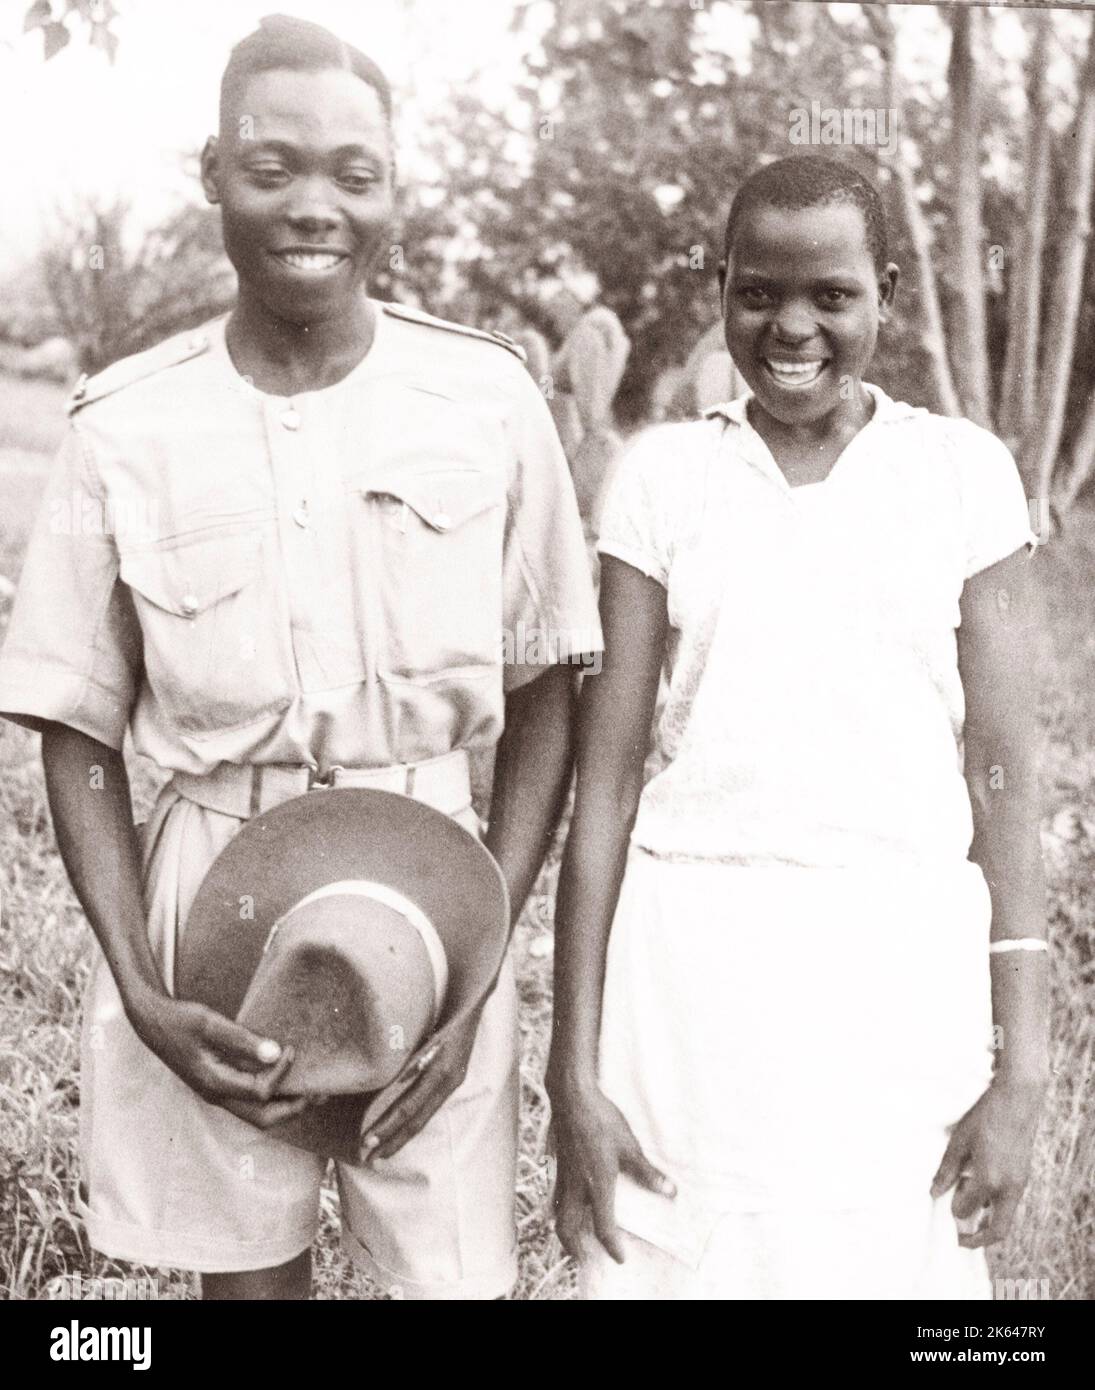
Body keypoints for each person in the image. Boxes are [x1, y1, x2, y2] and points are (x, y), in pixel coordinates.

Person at [0, 14, 600, 1301]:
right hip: (212, 904)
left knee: (446, 1282)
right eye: (271, 168)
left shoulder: (484, 401)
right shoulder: (126, 426)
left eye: (354, 171)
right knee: (243, 1286)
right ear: (211, 173)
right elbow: (74, 725)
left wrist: (482, 945)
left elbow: (547, 683)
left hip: (437, 900)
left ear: (395, 186)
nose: (313, 205)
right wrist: (142, 987)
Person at [546, 155, 1049, 1300]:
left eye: (833, 295)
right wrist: (572, 1069)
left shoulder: (961, 475)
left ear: (885, 293)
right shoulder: (664, 475)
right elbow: (607, 785)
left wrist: (1023, 1070)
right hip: (690, 991)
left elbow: (1009, 776)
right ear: (721, 287)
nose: (793, 327)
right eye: (759, 291)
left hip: (900, 984)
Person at [546, 284, 631, 538]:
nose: (556, 319)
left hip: (580, 437)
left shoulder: (587, 334)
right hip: (567, 434)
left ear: (575, 305)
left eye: (560, 309)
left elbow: (591, 406)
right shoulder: (579, 337)